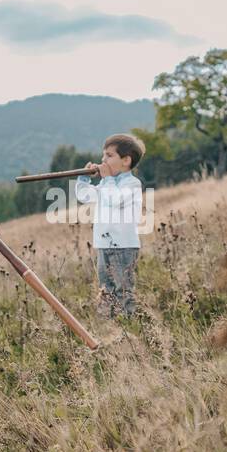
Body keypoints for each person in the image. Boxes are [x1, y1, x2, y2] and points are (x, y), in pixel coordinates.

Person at [75, 133, 145, 321]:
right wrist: (83, 179)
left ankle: (127, 326)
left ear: (126, 160)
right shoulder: (106, 185)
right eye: (103, 155)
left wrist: (106, 179)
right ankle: (108, 325)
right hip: (104, 245)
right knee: (106, 289)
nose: (103, 160)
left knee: (123, 289)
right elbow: (85, 196)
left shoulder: (131, 184)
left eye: (109, 155)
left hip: (123, 247)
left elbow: (115, 199)